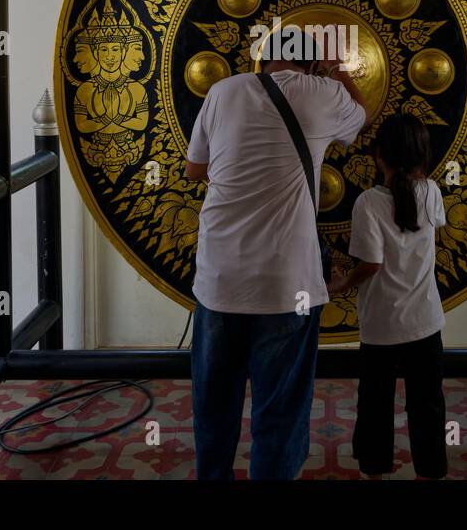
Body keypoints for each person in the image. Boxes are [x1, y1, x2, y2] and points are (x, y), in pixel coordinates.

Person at [184, 27, 368, 480]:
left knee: (214, 401)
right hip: (289, 283)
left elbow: (194, 170)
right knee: (280, 407)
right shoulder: (322, 92)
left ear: (263, 61)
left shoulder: (224, 90)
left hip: (220, 275)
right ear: (310, 65)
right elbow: (361, 116)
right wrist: (338, 72)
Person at [328, 113, 448, 479]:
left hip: (382, 325)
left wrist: (342, 283)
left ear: (379, 155)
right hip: (425, 321)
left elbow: (371, 264)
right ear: (422, 154)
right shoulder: (432, 192)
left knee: (376, 402)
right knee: (427, 402)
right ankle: (431, 468)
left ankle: (375, 467)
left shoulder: (368, 203)